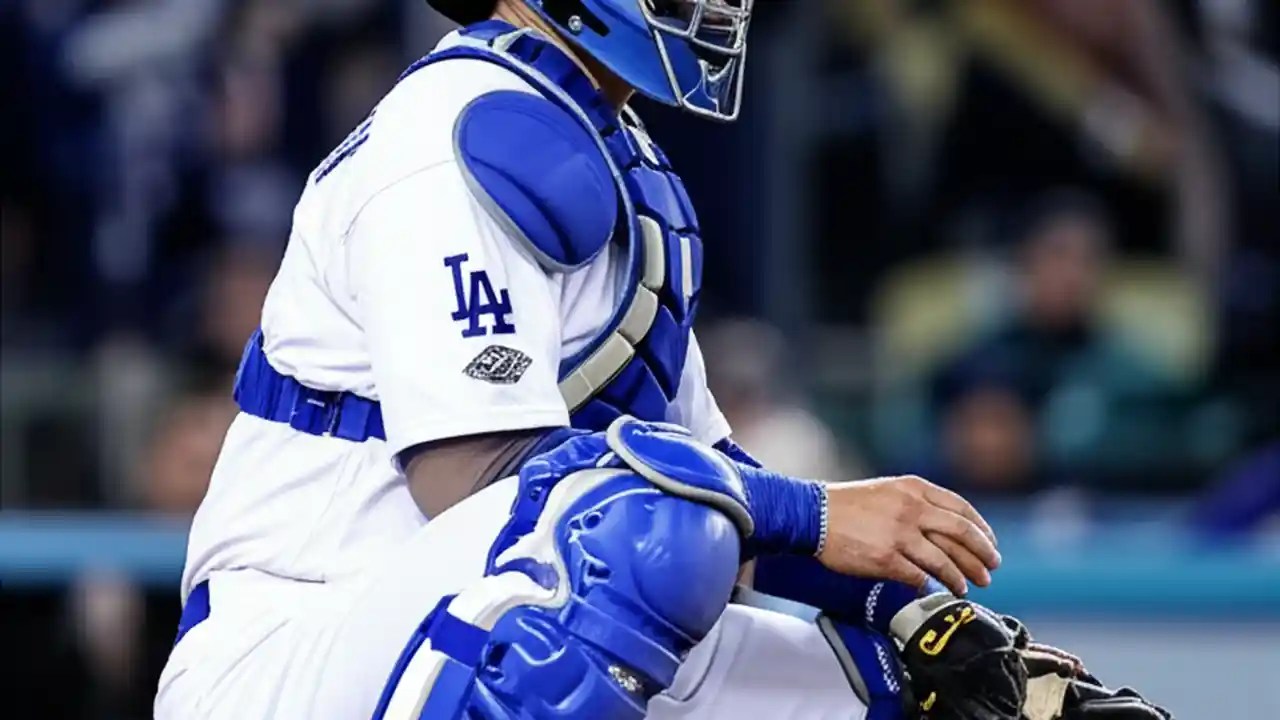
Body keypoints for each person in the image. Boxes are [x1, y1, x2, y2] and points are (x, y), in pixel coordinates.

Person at [155, 2, 1169, 719]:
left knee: (951, 702)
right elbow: (475, 480)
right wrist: (816, 514)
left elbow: (712, 506)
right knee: (636, 539)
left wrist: (906, 615)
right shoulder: (452, 132)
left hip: (484, 619)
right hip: (299, 656)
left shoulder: (613, 158)